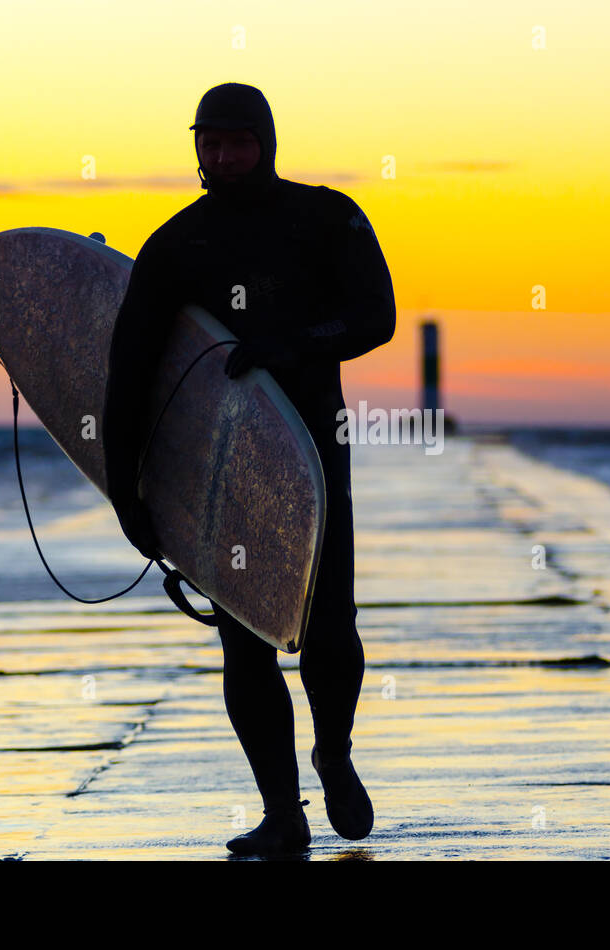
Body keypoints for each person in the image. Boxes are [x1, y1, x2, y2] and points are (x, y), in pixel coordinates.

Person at [100, 82, 395, 856]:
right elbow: (128, 366)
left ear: (267, 141)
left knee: (330, 626)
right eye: (211, 143)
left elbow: (377, 315)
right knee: (242, 643)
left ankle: (334, 753)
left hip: (313, 451)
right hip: (217, 467)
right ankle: (282, 811)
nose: (224, 156)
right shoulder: (176, 246)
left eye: (239, 142)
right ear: (196, 146)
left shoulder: (324, 217)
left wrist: (294, 344)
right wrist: (125, 484)